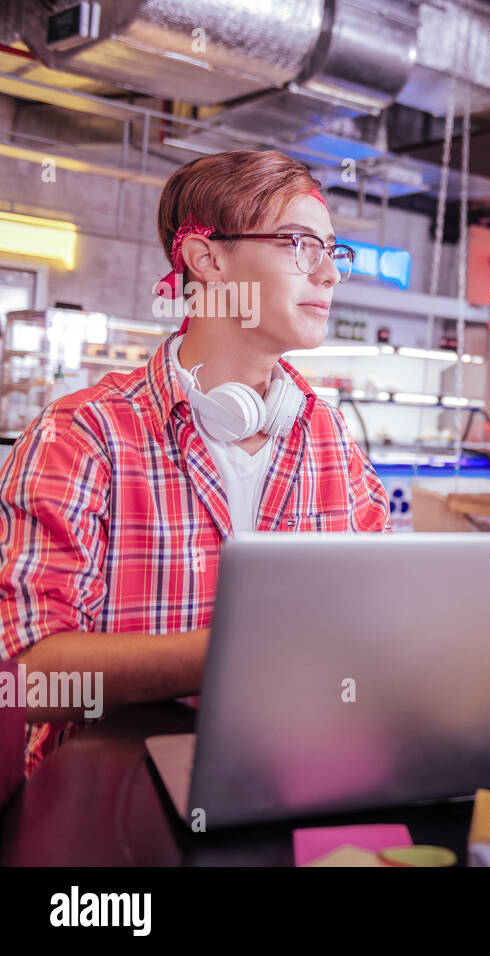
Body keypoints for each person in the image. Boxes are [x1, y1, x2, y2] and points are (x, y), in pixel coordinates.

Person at [0, 149, 392, 776]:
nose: (328, 274)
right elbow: (30, 682)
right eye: (299, 243)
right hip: (113, 793)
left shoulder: (328, 438)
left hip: (294, 772)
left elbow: (382, 607)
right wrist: (234, 652)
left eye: (332, 250)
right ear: (207, 259)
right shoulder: (85, 435)